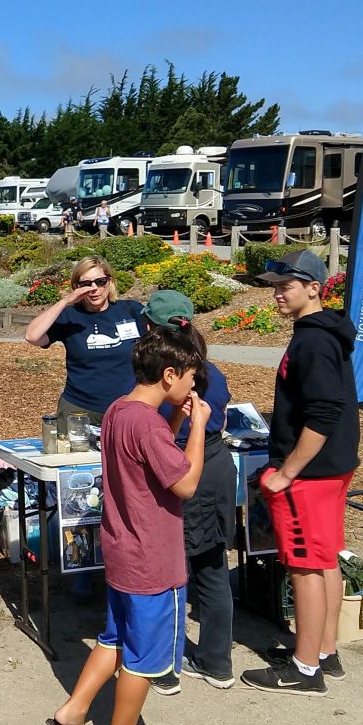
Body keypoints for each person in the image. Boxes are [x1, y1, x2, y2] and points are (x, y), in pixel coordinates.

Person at [50, 327, 209, 725]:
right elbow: (186, 483)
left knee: (116, 637)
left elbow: (149, 453)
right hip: (153, 562)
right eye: (191, 377)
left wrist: (176, 418)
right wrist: (199, 427)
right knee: (144, 660)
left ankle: (74, 709)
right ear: (170, 375)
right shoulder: (149, 425)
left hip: (122, 551)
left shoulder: (120, 410)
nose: (194, 386)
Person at [240, 249, 359, 695]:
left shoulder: (312, 341)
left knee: (304, 565)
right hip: (333, 467)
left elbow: (324, 411)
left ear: (313, 288)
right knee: (324, 558)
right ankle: (324, 651)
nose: (277, 294)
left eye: (286, 286)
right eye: (274, 287)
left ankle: (304, 669)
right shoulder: (324, 332)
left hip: (309, 475)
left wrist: (286, 473)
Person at [25, 256, 147, 601]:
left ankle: (120, 562)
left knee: (124, 488)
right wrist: (65, 301)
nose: (93, 289)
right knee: (77, 491)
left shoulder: (131, 311)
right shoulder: (70, 317)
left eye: (99, 281)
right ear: (75, 285)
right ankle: (80, 565)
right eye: (84, 283)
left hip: (125, 412)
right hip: (78, 411)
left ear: (110, 281)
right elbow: (32, 336)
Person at [143, 291, 238, 693]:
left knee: (172, 572)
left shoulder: (163, 376)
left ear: (151, 329)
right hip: (217, 463)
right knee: (213, 566)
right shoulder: (210, 369)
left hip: (183, 464)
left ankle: (165, 665)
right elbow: (223, 416)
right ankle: (217, 662)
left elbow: (156, 428)